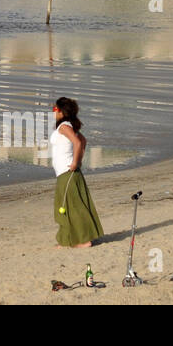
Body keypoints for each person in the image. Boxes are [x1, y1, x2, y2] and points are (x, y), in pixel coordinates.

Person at [50, 97, 104, 248]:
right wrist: (78, 160)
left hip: (67, 172)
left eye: (55, 109)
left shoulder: (63, 127)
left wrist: (76, 162)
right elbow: (82, 141)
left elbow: (79, 142)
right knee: (67, 206)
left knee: (72, 207)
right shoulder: (67, 126)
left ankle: (83, 241)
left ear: (61, 111)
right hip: (65, 172)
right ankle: (68, 240)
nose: (53, 112)